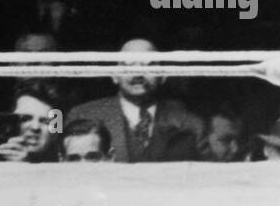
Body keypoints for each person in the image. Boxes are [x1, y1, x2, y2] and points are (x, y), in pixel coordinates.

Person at [66, 38, 203, 162]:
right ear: (114, 75)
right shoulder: (81, 115)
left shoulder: (191, 124)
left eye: (149, 66)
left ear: (163, 75)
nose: (138, 74)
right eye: (129, 65)